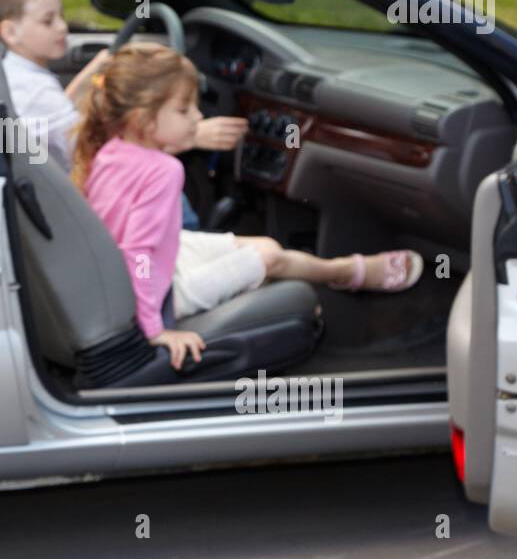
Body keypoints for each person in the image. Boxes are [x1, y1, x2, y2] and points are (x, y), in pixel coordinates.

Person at [72, 44, 424, 372]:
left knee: (266, 249)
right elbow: (140, 254)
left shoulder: (111, 151)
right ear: (142, 121)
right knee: (267, 260)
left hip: (128, 279)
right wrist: (154, 329)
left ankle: (342, 271)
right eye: (183, 109)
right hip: (156, 294)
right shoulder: (165, 170)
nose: (197, 117)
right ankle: (346, 272)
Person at [0, 0, 246, 223]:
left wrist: (95, 72)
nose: (62, 27)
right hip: (77, 202)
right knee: (169, 193)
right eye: (48, 21)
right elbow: (94, 147)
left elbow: (58, 117)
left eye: (61, 16)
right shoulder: (35, 91)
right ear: (11, 32)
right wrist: (195, 135)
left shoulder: (18, 74)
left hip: (61, 193)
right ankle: (186, 240)